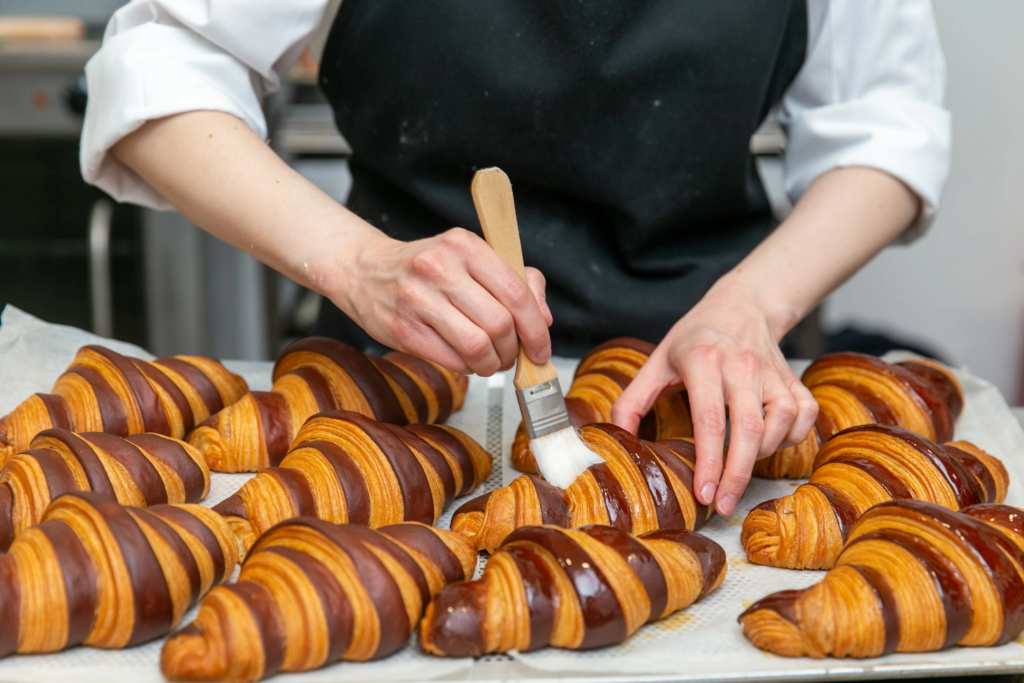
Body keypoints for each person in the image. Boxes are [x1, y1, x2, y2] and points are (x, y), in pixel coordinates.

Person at [81, 1, 950, 516]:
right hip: (397, 395)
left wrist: (754, 306)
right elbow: (162, 63)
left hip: (712, 403)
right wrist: (356, 263)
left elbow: (886, 124)